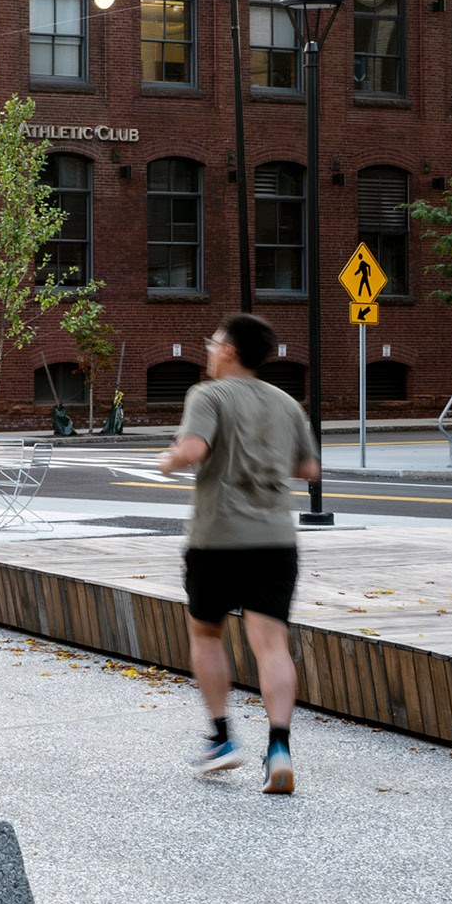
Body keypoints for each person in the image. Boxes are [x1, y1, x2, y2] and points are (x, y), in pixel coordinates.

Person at [158, 313, 322, 795]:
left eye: (213, 342)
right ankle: (279, 748)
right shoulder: (287, 403)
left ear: (229, 349)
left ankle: (222, 738)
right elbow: (309, 468)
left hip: (218, 538)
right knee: (271, 643)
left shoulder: (207, 395)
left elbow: (191, 449)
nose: (209, 350)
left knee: (207, 634)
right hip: (275, 539)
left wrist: (166, 460)